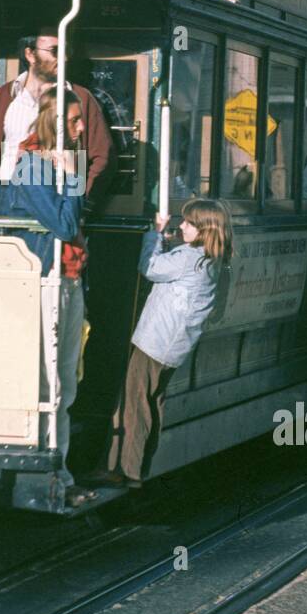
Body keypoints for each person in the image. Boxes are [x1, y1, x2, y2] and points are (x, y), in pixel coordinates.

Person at [95, 199, 232, 491]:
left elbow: (150, 267)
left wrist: (155, 234)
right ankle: (136, 466)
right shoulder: (209, 258)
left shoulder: (188, 259)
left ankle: (125, 471)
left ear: (204, 228)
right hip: (174, 346)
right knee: (151, 402)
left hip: (155, 342)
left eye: (188, 223)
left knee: (134, 403)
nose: (181, 225)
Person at [0, 92, 88, 469]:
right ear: (54, 122)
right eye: (74, 121)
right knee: (53, 384)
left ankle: (58, 466)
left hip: (69, 277)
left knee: (66, 381)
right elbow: (64, 225)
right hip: (49, 279)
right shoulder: (32, 166)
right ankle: (51, 469)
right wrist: (74, 178)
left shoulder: (55, 162)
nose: (81, 129)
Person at [0, 27, 113, 204]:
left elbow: (103, 156)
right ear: (30, 54)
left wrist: (81, 200)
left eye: (66, 51)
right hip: (6, 194)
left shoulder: (80, 98)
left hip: (53, 199)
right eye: (55, 51)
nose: (64, 58)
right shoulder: (5, 94)